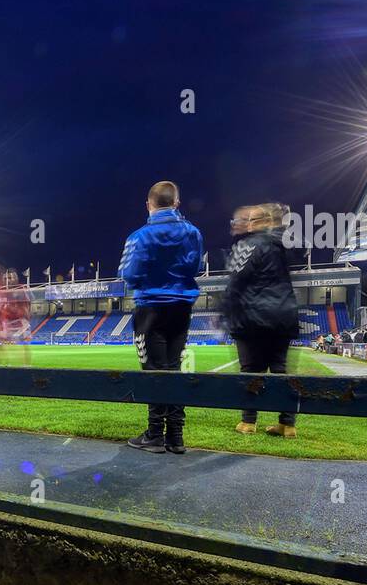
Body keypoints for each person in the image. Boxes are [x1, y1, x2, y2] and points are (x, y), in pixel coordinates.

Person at [119, 180, 204, 454]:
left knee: (154, 372)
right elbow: (196, 266)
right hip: (181, 309)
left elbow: (129, 274)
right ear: (176, 203)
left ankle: (155, 434)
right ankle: (176, 436)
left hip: (151, 309)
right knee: (173, 369)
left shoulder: (139, 236)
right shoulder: (193, 232)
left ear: (149, 204)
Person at [223, 204, 300, 438]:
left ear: (255, 222)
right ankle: (288, 424)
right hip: (283, 315)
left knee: (250, 370)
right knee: (280, 370)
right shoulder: (286, 244)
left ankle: (248, 422)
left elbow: (235, 282)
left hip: (253, 317)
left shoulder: (247, 245)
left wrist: (225, 312)